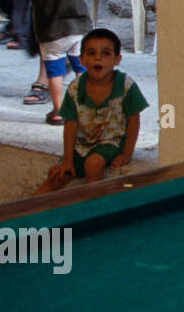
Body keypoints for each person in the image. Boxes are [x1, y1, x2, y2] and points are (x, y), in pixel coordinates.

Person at [33, 27, 149, 194]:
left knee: (93, 163)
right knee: (58, 176)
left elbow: (134, 119)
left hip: (112, 141)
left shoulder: (125, 85)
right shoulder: (75, 88)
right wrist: (67, 160)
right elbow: (71, 125)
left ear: (117, 59)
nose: (98, 58)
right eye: (91, 53)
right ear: (81, 59)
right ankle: (26, 209)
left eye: (106, 53)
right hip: (82, 144)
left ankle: (91, 206)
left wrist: (126, 153)